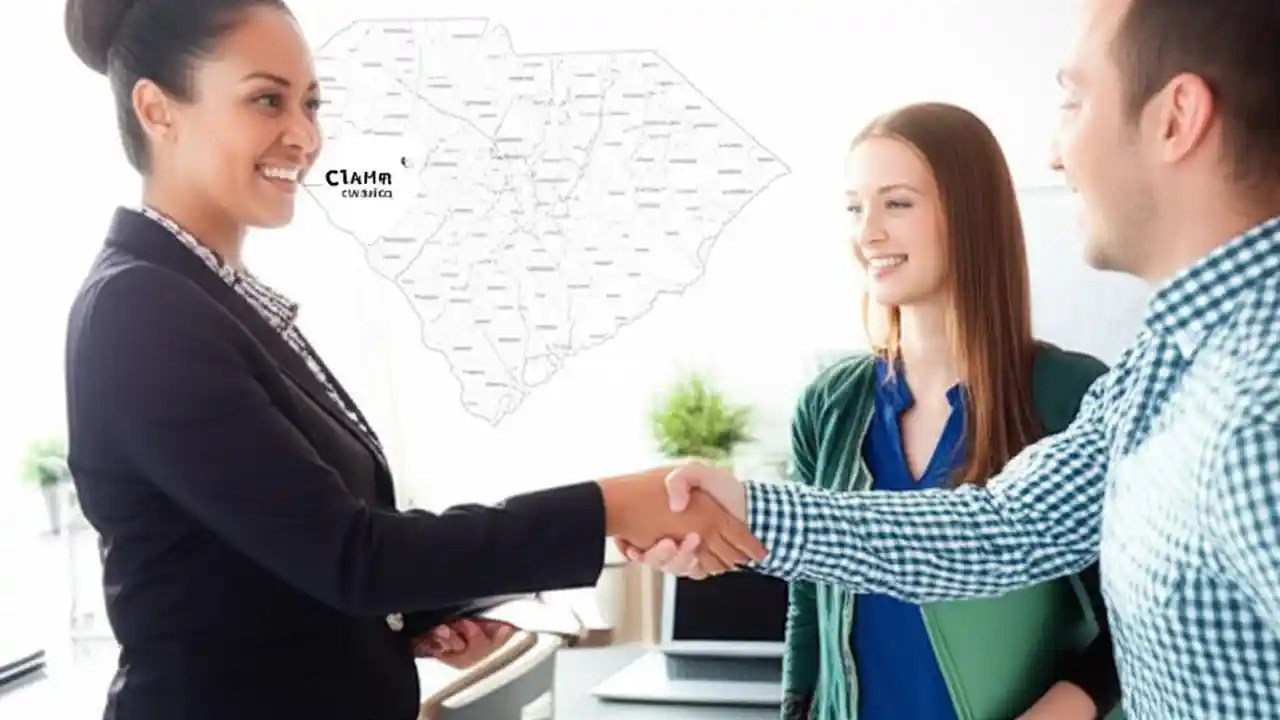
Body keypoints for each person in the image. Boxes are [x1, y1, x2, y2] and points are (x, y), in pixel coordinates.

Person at [60, 2, 764, 719]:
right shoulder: (141, 311)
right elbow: (352, 555)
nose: (304, 135)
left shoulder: (208, 300)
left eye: (312, 103)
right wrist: (613, 506)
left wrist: (415, 613)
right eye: (266, 99)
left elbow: (285, 553)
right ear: (158, 109)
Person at [633, 0, 1280, 717]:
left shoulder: (1257, 403)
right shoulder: (1163, 363)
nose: (1056, 153)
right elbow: (1001, 529)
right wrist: (749, 512)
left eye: (1074, 101)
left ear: (1175, 117)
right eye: (855, 206)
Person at [623, 102, 1121, 720]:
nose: (868, 234)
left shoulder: (1074, 395)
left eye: (898, 203)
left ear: (972, 215)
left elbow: (1128, 623)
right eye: (855, 208)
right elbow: (809, 600)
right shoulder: (833, 401)